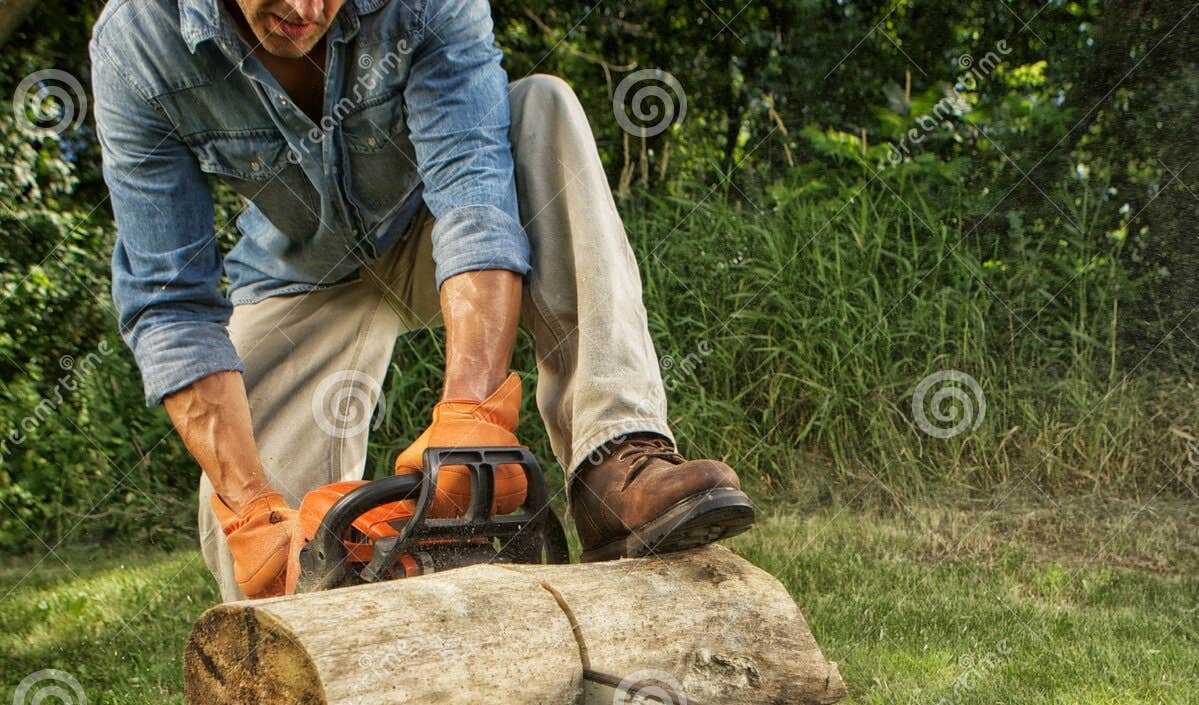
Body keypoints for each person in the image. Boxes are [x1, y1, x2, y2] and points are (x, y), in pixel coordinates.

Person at [90, 0, 754, 600]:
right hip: (302, 276)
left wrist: (473, 417)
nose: (300, 8)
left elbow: (473, 193)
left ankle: (615, 463)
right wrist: (248, 506)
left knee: (541, 108)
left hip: (434, 226)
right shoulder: (139, 42)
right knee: (266, 573)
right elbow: (171, 301)